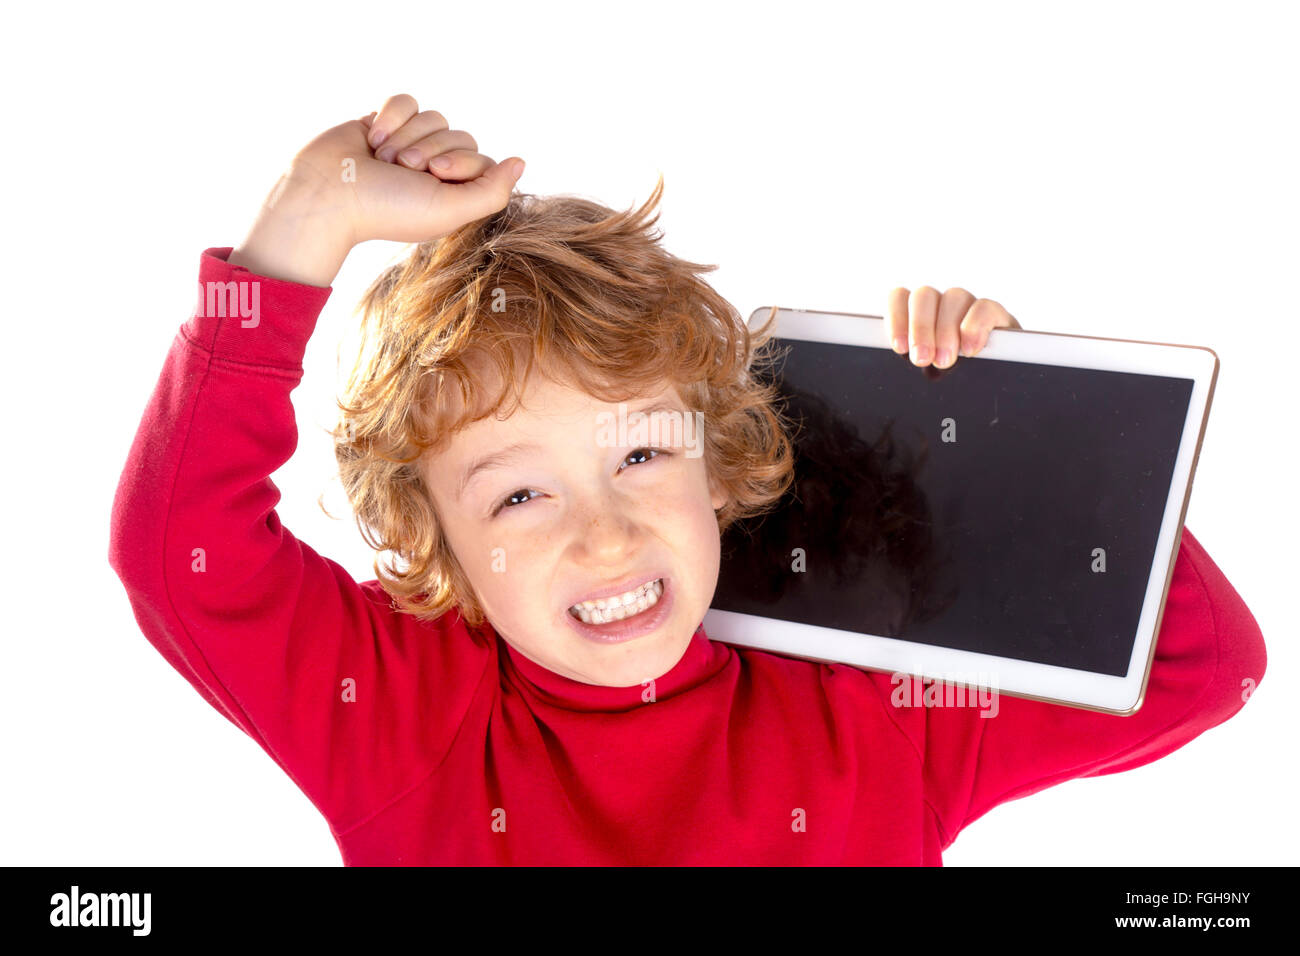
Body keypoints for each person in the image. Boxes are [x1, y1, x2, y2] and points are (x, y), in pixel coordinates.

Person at [108, 93, 1267, 865]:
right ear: (434, 538)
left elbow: (1199, 664)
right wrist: (304, 222)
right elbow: (180, 552)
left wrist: (1024, 426)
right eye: (519, 494)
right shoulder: (410, 718)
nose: (606, 536)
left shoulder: (867, 702)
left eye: (641, 454)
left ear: (719, 461)